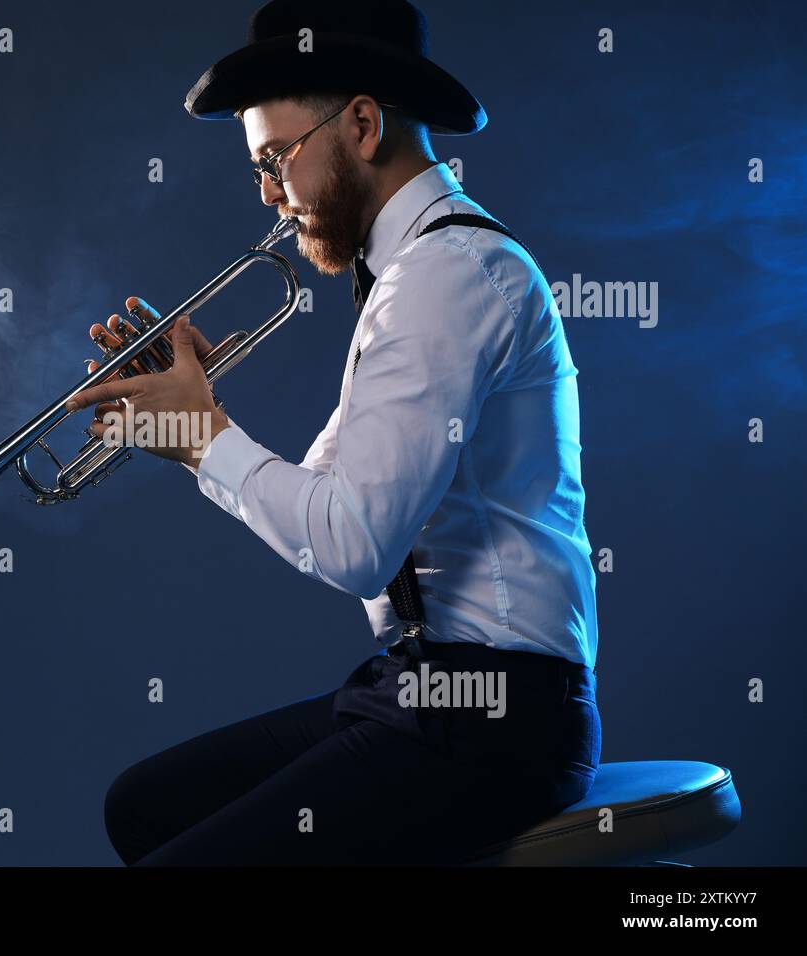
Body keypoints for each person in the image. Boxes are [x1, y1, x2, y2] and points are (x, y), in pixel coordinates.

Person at [65, 0, 601, 866]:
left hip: (498, 717)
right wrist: (196, 413)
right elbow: (324, 503)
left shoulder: (445, 276)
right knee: (144, 807)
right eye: (259, 172)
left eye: (277, 159)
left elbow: (351, 545)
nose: (272, 198)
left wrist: (204, 437)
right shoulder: (406, 270)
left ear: (360, 123)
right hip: (419, 689)